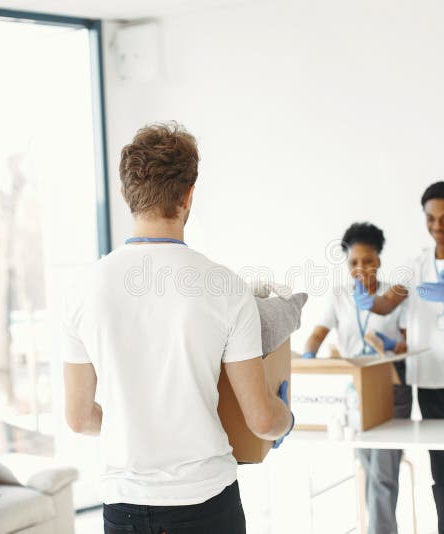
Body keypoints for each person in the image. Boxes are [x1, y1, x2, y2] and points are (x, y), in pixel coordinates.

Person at [61, 122, 294, 534]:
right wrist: (285, 419)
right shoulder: (225, 287)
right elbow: (260, 419)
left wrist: (134, 427)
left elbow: (78, 418)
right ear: (188, 196)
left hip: (123, 508)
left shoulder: (83, 289)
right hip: (205, 504)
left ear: (125, 195)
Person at [354, 181, 444, 534]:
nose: (438, 226)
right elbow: (390, 301)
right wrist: (369, 300)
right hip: (430, 380)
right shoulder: (416, 264)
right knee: (442, 472)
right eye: (430, 219)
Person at [302, 222, 408, 534]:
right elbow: (317, 335)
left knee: (383, 474)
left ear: (379, 260)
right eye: (353, 262)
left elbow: (408, 341)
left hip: (392, 388)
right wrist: (309, 356)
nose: (361, 268)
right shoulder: (339, 297)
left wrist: (391, 345)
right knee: (369, 468)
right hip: (354, 392)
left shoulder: (394, 295)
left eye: (368, 260)